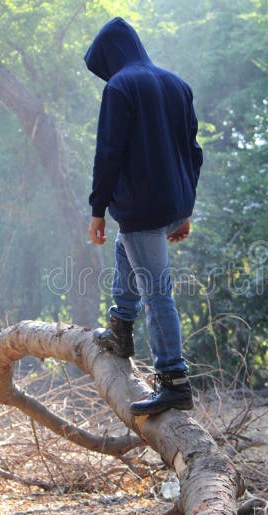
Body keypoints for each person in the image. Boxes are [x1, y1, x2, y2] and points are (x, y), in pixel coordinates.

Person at [83, 17, 203, 415]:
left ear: (109, 56)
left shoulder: (120, 86)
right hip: (174, 204)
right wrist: (186, 208)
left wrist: (97, 208)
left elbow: (109, 153)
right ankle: (121, 326)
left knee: (157, 290)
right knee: (127, 248)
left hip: (144, 207)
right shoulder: (176, 84)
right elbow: (193, 151)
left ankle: (173, 379)